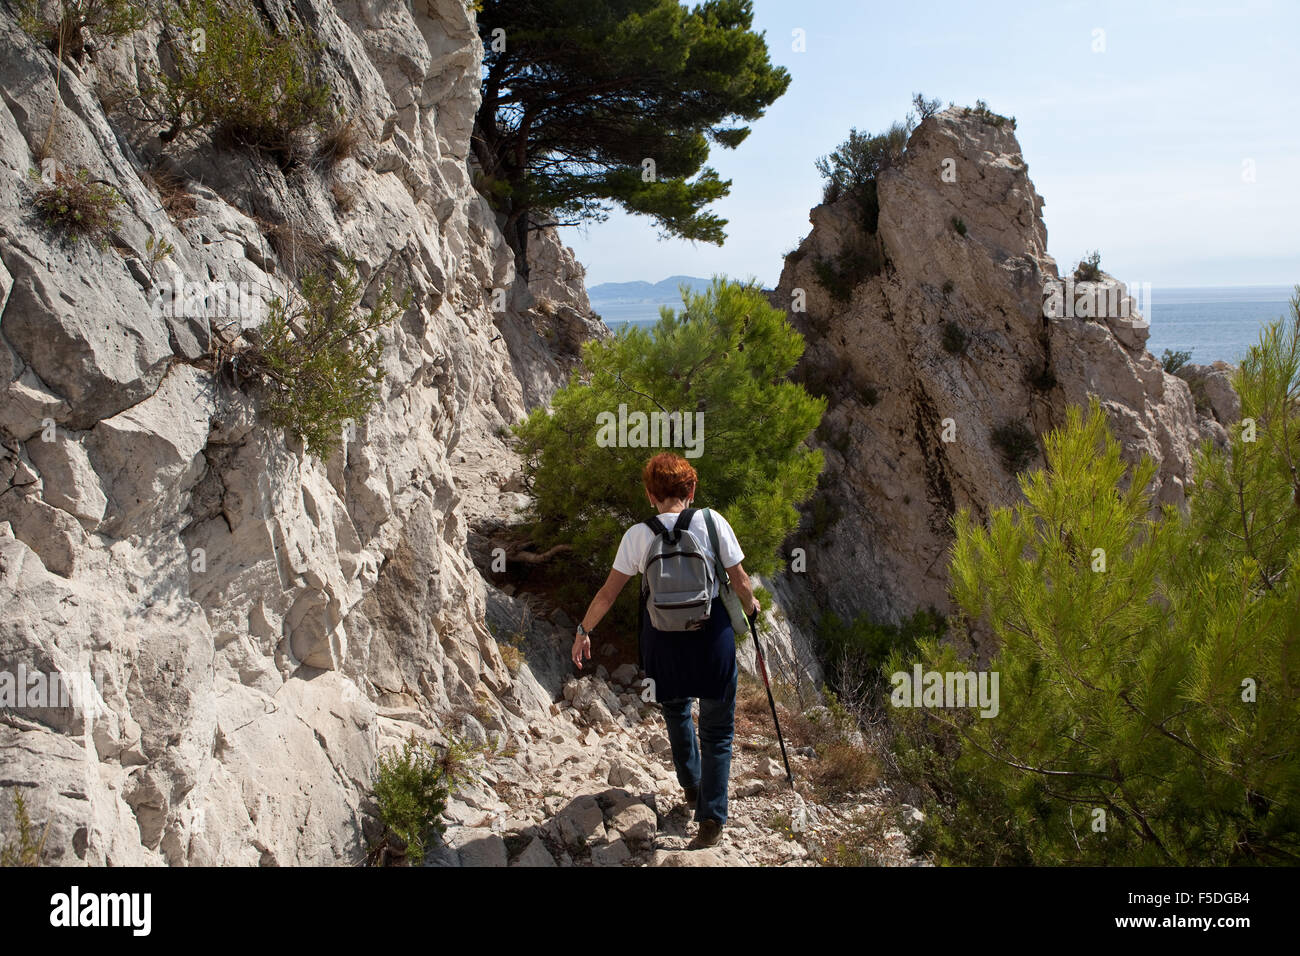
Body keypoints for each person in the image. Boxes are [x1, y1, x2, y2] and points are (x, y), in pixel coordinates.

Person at [571, 452, 759, 848]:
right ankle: (711, 818)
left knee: (675, 708)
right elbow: (741, 582)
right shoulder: (712, 522)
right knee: (718, 729)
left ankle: (691, 785)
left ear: (649, 494)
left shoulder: (637, 535)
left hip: (662, 645)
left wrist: (584, 630)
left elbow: (608, 593)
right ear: (691, 489)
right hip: (711, 641)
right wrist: (752, 611)